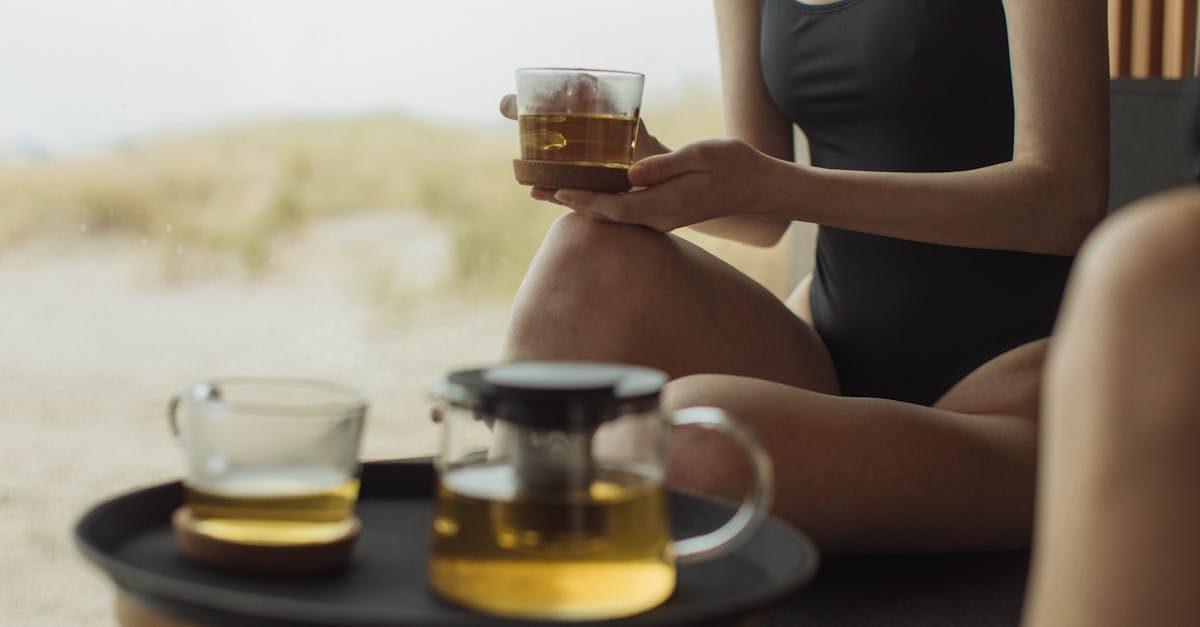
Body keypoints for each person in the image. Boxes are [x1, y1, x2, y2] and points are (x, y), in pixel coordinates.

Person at [500, 0, 1108, 554]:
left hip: (1015, 388)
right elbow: (762, 216)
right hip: (827, 351)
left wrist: (775, 182)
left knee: (692, 444)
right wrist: (654, 171)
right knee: (585, 252)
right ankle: (498, 558)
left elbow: (1065, 202)